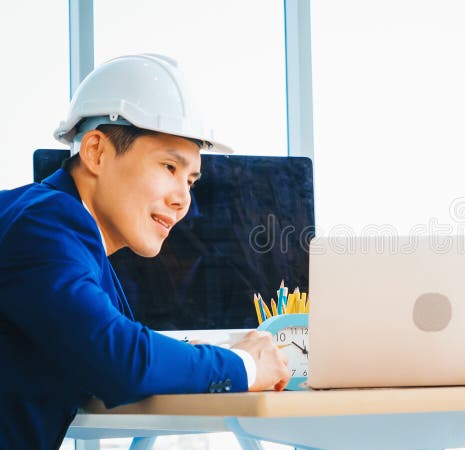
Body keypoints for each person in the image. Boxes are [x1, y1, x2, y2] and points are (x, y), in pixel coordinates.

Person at [0, 54, 291, 449]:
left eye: (191, 180)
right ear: (96, 152)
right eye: (169, 168)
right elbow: (121, 361)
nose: (182, 200)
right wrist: (246, 365)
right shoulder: (45, 225)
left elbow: (117, 344)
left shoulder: (66, 237)